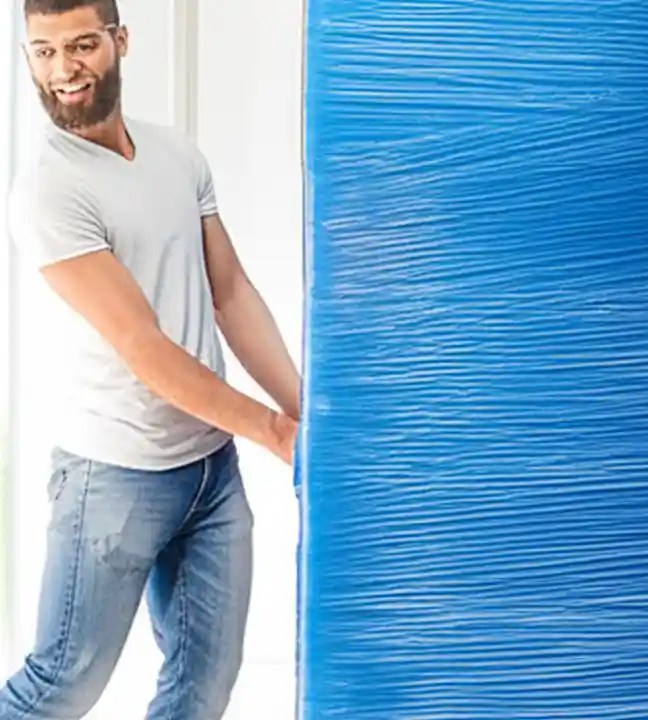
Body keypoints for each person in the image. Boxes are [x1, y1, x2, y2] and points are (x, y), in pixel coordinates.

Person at [1, 1, 300, 717]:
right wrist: (276, 433)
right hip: (114, 480)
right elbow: (144, 348)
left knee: (200, 688)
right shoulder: (49, 189)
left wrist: (304, 407)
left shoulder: (175, 153)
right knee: (61, 685)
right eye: (42, 52)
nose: (63, 70)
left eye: (80, 45)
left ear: (120, 41)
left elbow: (230, 294)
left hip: (211, 475)